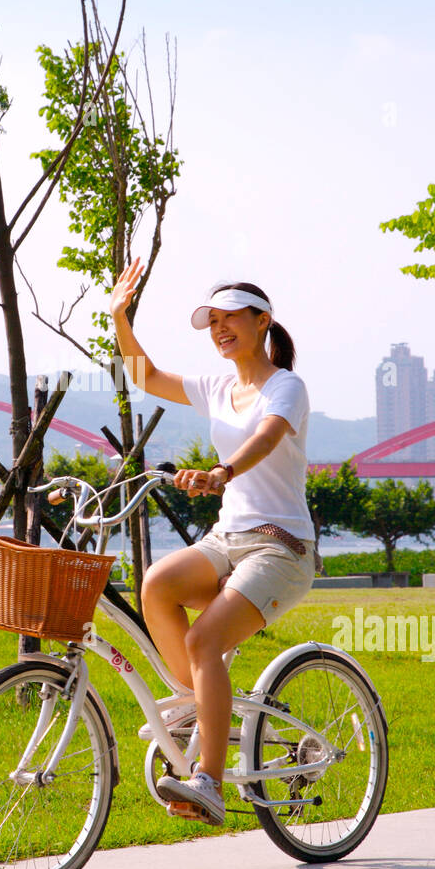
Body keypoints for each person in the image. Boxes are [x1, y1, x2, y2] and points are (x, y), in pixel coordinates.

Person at [109, 261, 316, 826]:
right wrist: (120, 316)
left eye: (230, 319)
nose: (220, 329)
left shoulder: (286, 386)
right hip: (227, 538)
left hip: (281, 547)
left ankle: (210, 782)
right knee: (156, 585)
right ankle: (198, 707)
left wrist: (222, 472)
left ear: (262, 321)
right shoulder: (218, 387)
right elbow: (146, 377)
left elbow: (267, 437)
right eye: (213, 323)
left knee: (203, 641)